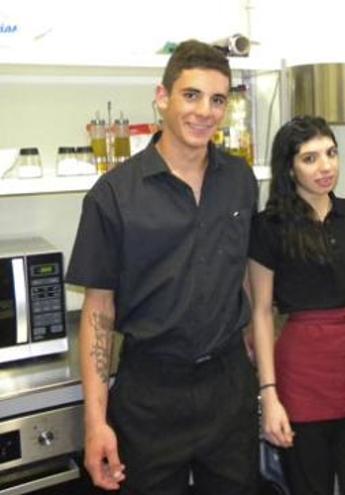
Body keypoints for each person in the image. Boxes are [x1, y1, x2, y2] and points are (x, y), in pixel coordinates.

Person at [67, 40, 260, 493]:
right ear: (162, 97)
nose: (205, 112)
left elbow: (243, 272)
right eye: (191, 95)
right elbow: (98, 311)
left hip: (227, 386)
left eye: (217, 100)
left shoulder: (239, 179)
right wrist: (96, 422)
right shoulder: (114, 194)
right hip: (150, 394)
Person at [249, 116, 345, 495]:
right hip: (301, 375)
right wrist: (269, 394)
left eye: (331, 153)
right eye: (309, 158)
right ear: (289, 168)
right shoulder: (269, 226)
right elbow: (261, 312)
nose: (325, 166)